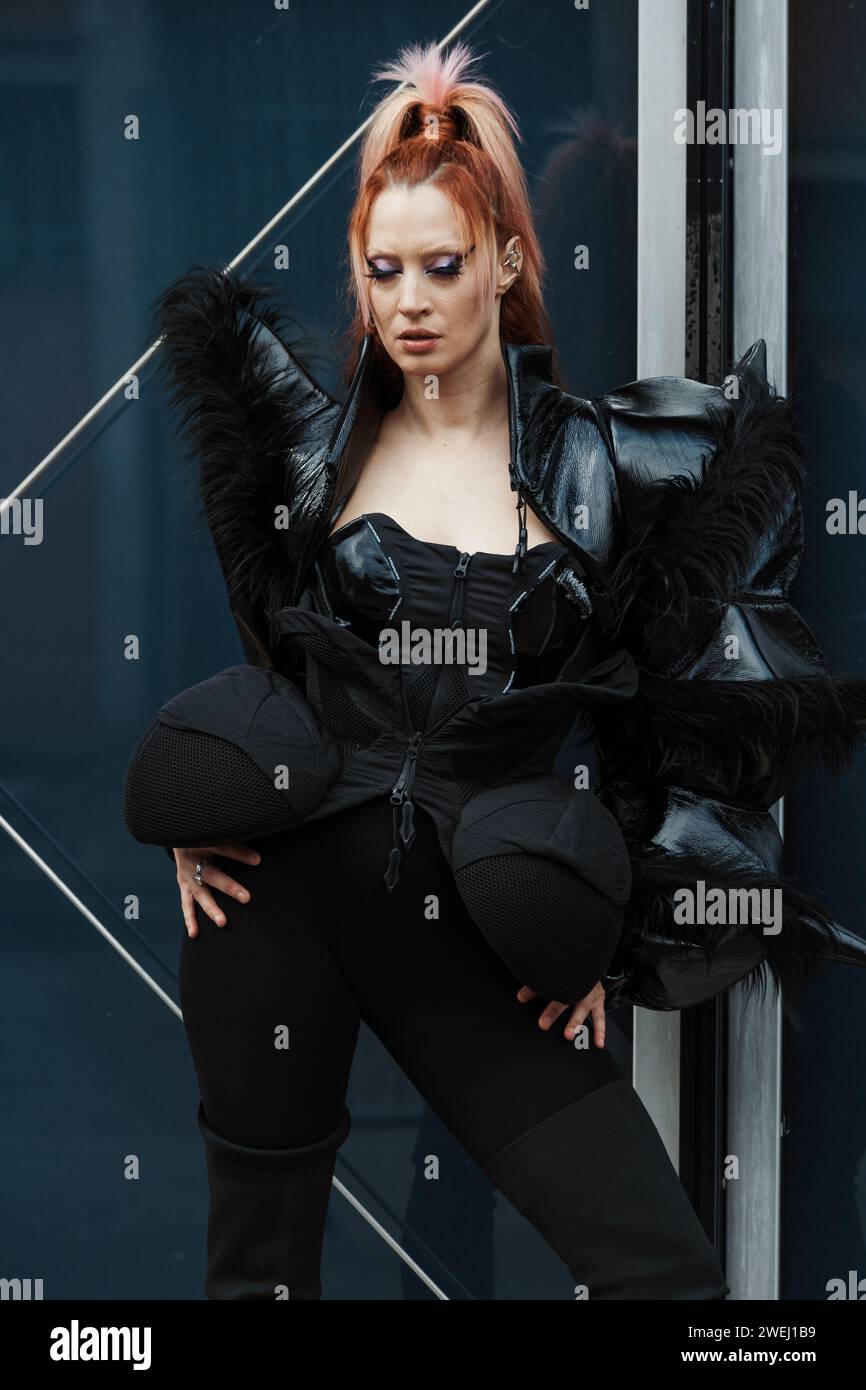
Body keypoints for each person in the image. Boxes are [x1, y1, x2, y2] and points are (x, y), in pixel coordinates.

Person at [123, 40, 866, 1300]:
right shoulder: (314, 455)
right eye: (382, 270)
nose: (407, 299)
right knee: (257, 1279)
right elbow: (275, 665)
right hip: (278, 910)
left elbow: (658, 712)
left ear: (509, 264)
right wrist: (208, 809)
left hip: (475, 933)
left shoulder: (600, 467)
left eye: (442, 266)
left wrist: (601, 925)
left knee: (661, 1274)